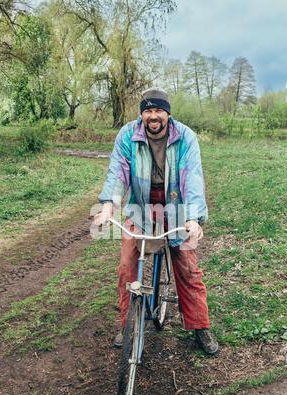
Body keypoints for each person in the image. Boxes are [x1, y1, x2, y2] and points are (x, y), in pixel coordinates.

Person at [94, 87, 219, 355]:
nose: (153, 116)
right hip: (141, 204)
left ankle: (200, 327)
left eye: (159, 110)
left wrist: (194, 217)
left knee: (186, 265)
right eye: (148, 111)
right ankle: (128, 324)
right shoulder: (128, 134)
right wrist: (107, 206)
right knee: (128, 264)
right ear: (142, 115)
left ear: (167, 113)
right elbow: (118, 172)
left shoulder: (185, 137)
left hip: (176, 205)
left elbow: (193, 178)